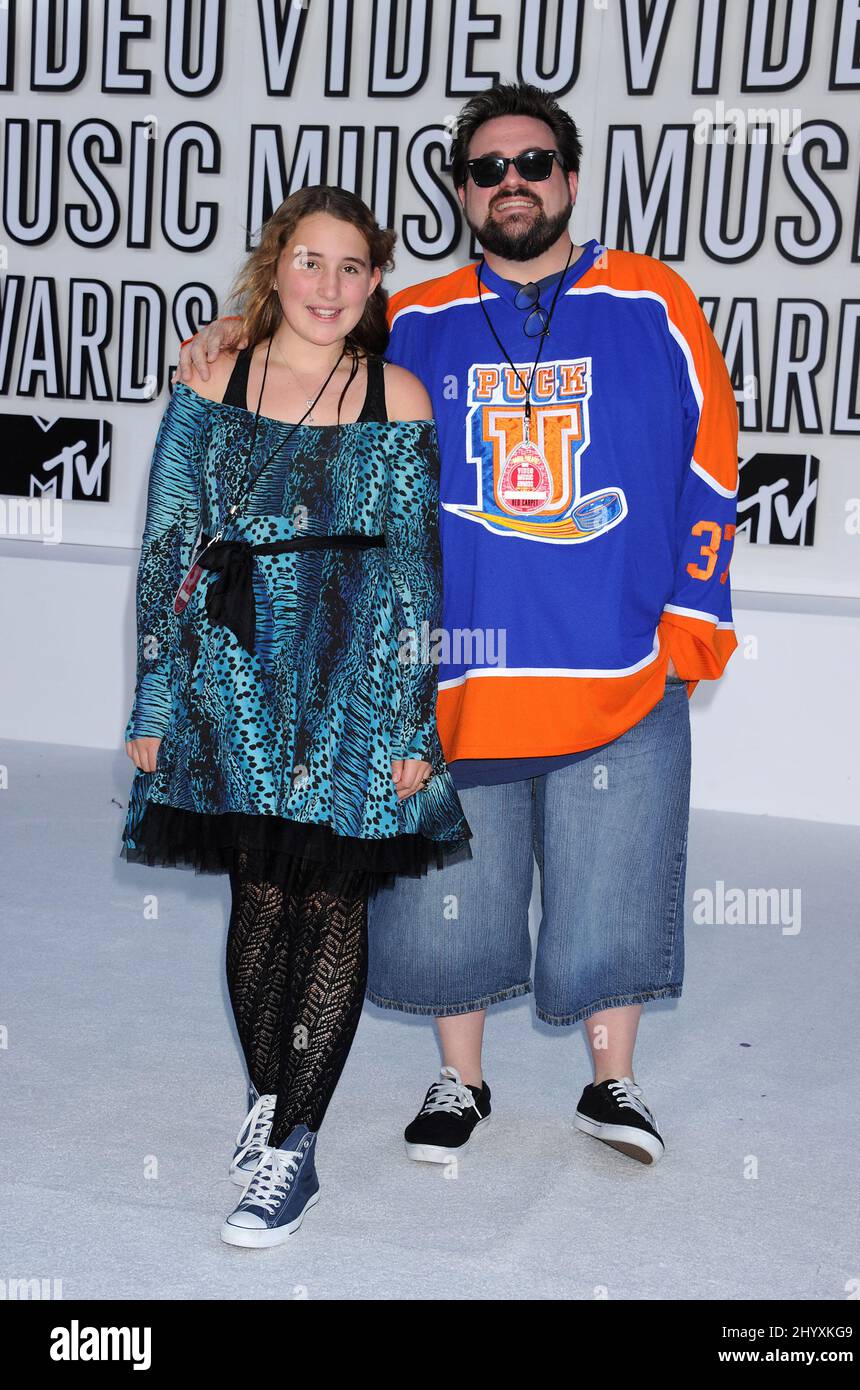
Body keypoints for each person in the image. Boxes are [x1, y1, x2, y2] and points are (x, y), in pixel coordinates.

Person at [177, 82, 739, 1170]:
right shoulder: (421, 314)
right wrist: (237, 331)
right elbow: (316, 334)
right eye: (489, 169)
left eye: (534, 163)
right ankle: (461, 1078)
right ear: (464, 191)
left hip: (615, 657)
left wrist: (691, 619)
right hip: (454, 665)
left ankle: (611, 1079)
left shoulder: (658, 301)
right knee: (453, 900)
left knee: (612, 878)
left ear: (570, 180)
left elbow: (711, 463)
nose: (512, 183)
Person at [121, 185, 472, 1247]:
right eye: (310, 262)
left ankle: (293, 1150)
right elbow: (168, 544)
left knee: (332, 897)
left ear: (376, 284)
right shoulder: (212, 379)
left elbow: (419, 573)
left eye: (352, 267)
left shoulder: (398, 395)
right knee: (261, 895)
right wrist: (151, 694)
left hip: (356, 678)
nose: (329, 286)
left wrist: (414, 725)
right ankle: (271, 1098)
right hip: (233, 668)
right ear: (275, 267)